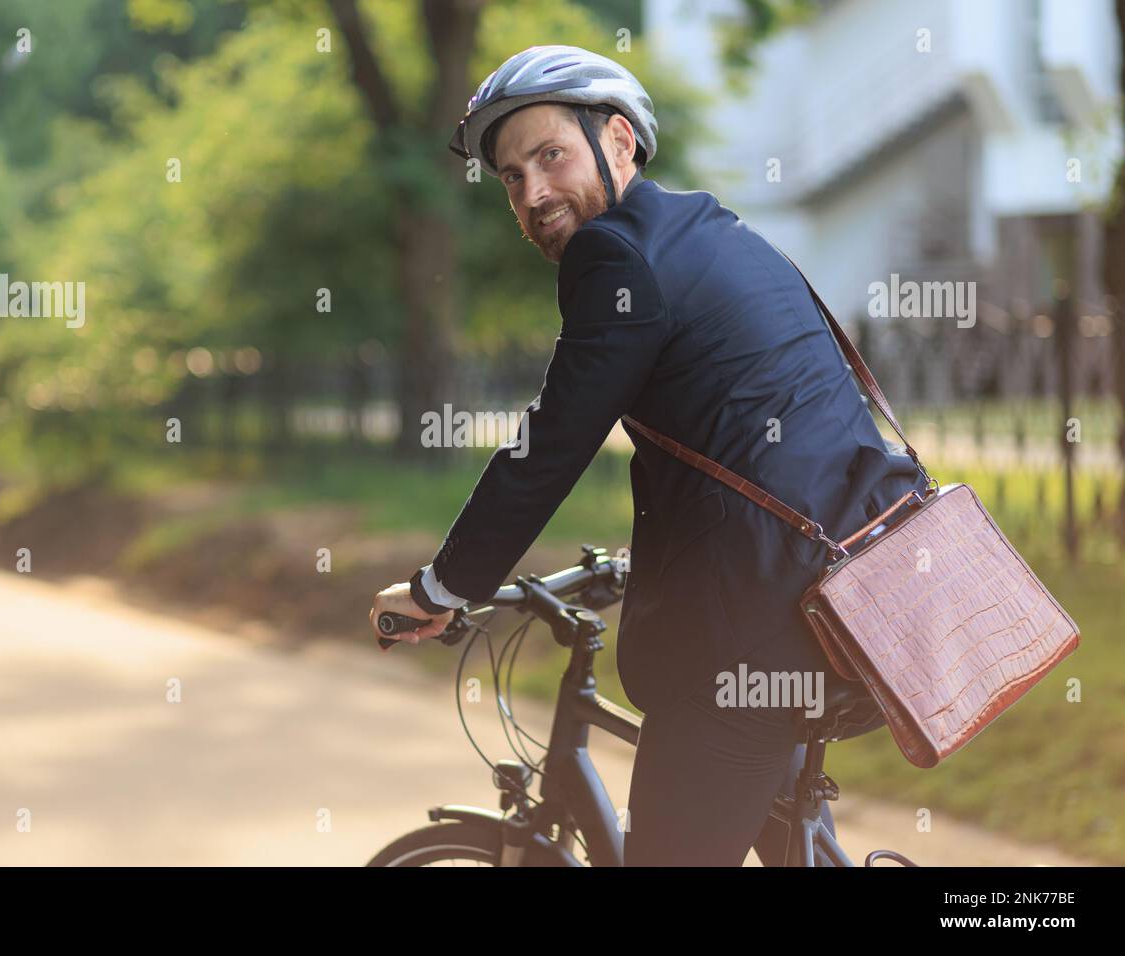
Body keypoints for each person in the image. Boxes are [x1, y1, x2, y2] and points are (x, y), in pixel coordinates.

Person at [368, 45, 925, 865]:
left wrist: (442, 586)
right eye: (511, 178)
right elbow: (751, 428)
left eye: (549, 156)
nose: (532, 193)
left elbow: (551, 443)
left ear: (620, 142)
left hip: (750, 643)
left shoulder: (615, 256)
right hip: (846, 603)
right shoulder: (710, 230)